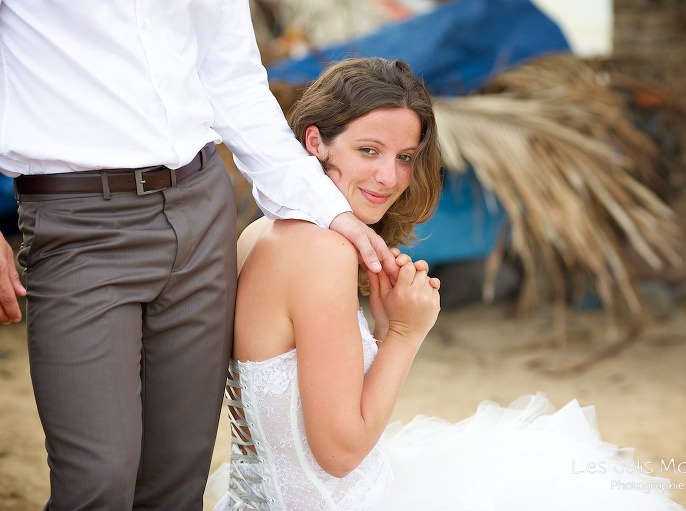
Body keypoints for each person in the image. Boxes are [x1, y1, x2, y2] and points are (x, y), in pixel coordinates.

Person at [207, 57, 684, 511]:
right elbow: (339, 452)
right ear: (316, 141)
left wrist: (381, 333)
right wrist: (404, 335)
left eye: (405, 157)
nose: (389, 176)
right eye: (368, 150)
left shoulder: (259, 234)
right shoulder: (323, 252)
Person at [0, 2, 397, 510]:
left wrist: (328, 209)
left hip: (201, 205)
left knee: (177, 481)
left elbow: (231, 76)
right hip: (76, 219)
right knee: (97, 481)